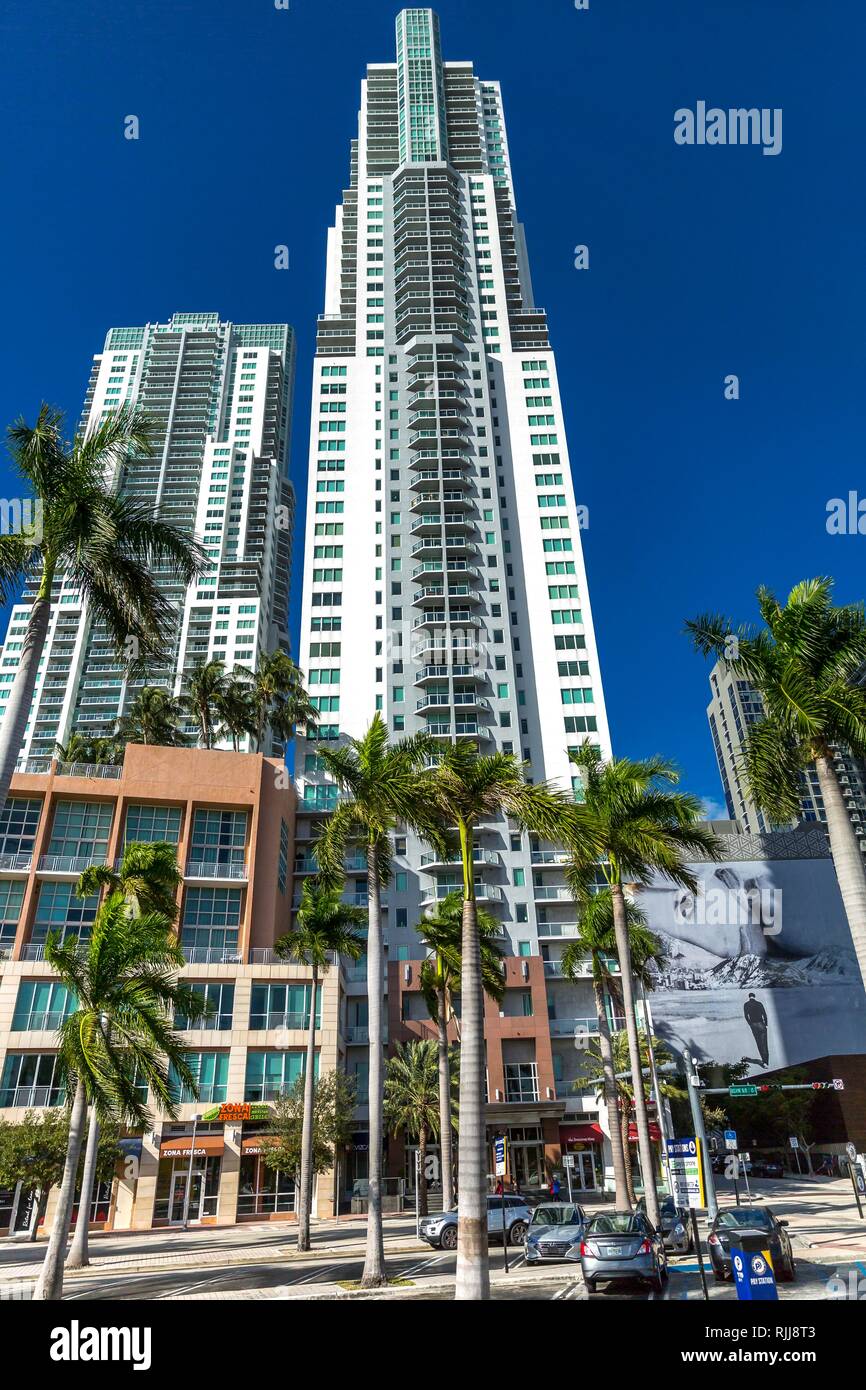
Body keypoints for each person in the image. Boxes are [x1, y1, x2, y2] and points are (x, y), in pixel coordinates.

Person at [743, 992, 770, 1067]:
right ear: (754, 997)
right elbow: (764, 1014)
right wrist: (766, 1024)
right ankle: (766, 1062)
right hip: (761, 1024)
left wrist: (750, 1024)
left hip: (754, 1025)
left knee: (759, 1044)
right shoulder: (759, 1003)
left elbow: (746, 1016)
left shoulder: (746, 1004)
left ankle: (764, 1061)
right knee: (764, 1044)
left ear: (749, 997)